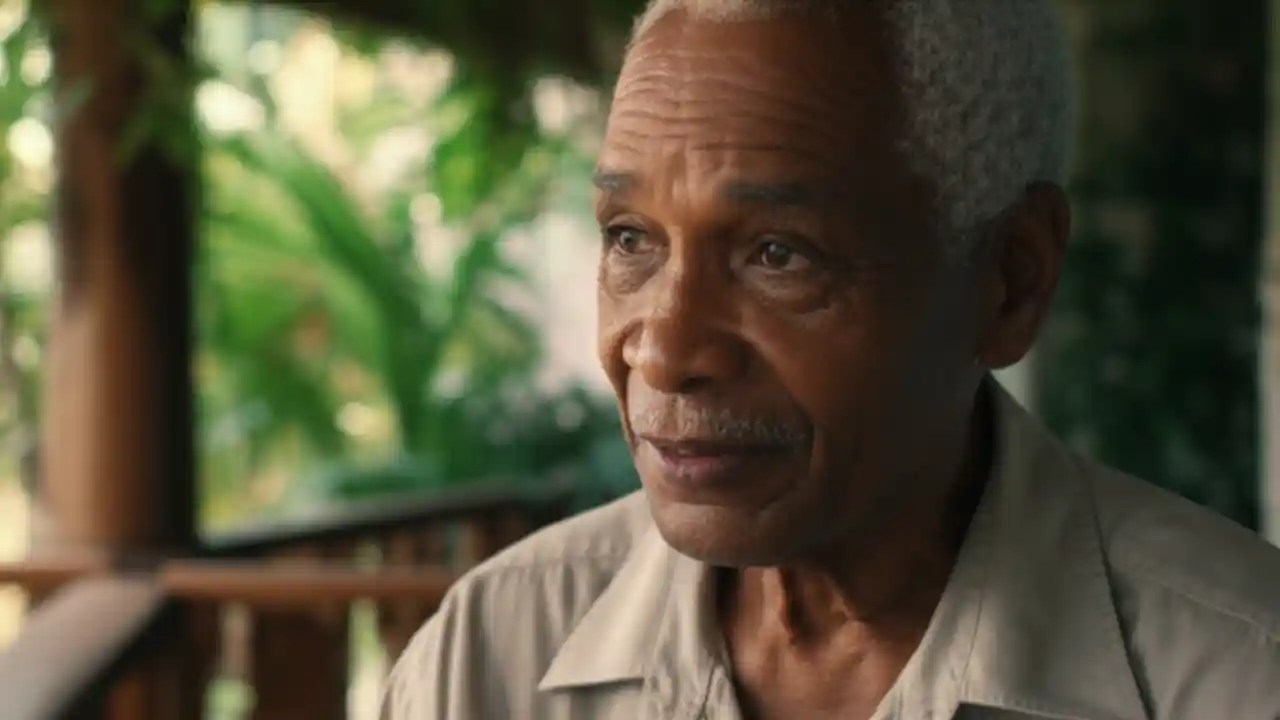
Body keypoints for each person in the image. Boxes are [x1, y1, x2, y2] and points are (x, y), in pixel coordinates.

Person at [382, 1, 1280, 718]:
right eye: (630, 240)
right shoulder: (490, 658)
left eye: (778, 254)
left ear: (1009, 283)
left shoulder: (1234, 675)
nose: (663, 351)